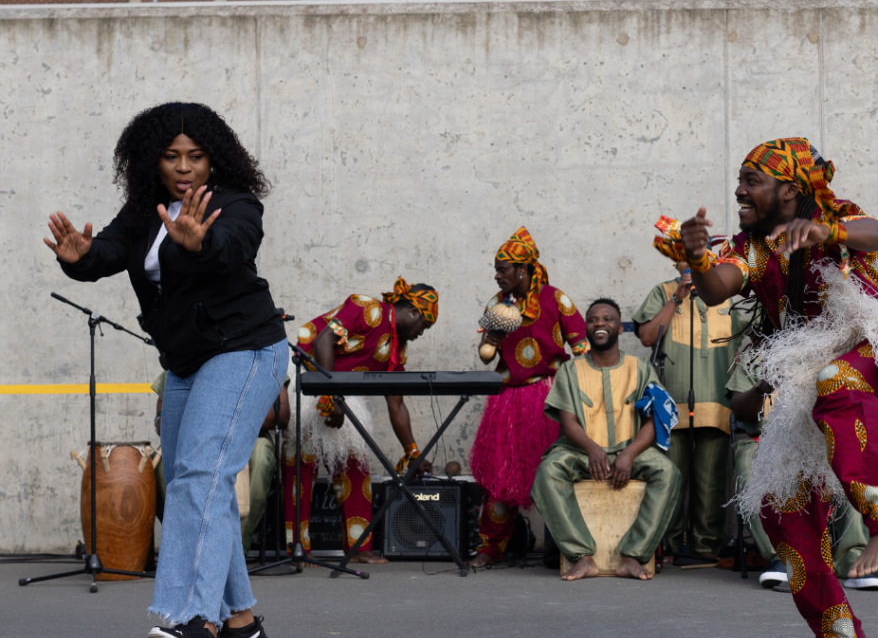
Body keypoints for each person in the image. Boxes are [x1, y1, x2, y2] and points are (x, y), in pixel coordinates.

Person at [675, 137, 878, 638]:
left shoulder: (838, 217)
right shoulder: (754, 246)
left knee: (837, 375)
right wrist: (696, 254)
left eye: (752, 181)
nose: (739, 190)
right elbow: (713, 289)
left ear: (789, 190)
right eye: (741, 179)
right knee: (782, 506)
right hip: (815, 384)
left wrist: (829, 232)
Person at [46, 101, 288, 638]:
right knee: (192, 482)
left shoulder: (235, 207)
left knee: (201, 477)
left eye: (196, 157)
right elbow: (104, 252)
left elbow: (232, 246)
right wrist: (78, 261)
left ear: (214, 160)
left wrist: (198, 243)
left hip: (245, 351)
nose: (184, 168)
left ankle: (193, 620)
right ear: (153, 161)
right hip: (185, 364)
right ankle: (242, 624)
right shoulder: (143, 213)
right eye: (172, 156)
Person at [284, 280, 438, 559]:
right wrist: (330, 397)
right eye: (424, 327)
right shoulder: (366, 308)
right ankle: (298, 551)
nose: (421, 334)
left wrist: (413, 452)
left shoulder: (397, 350)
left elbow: (397, 404)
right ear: (414, 313)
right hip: (306, 377)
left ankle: (357, 549)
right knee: (300, 467)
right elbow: (323, 340)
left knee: (355, 463)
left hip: (337, 391)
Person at [531, 300, 682, 581]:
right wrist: (592, 449)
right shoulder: (569, 370)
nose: (600, 324)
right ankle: (581, 556)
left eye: (607, 319)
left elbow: (654, 421)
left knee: (668, 472)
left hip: (630, 452)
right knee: (548, 471)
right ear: (586, 327)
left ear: (619, 326)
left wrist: (629, 454)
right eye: (593, 319)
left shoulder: (641, 369)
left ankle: (633, 555)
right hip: (582, 452)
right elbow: (568, 421)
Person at [469, 228, 589, 567]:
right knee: (499, 477)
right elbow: (485, 356)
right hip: (506, 400)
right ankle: (490, 548)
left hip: (549, 398)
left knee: (554, 473)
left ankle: (563, 548)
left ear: (522, 269)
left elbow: (582, 350)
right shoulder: (497, 304)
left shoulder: (555, 298)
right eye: (496, 269)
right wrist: (490, 336)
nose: (497, 275)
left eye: (502, 269)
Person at [727, 336, 878, 592]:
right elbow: (739, 410)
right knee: (745, 460)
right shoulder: (755, 357)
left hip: (817, 441)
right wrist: (762, 388)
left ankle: (851, 555)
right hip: (765, 443)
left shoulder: (830, 348)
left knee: (849, 449)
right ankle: (783, 556)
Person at [634, 244, 745, 564]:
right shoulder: (664, 291)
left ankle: (705, 544)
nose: (690, 263)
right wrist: (677, 299)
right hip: (671, 401)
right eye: (684, 257)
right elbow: (646, 336)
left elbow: (741, 346)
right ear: (675, 261)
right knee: (672, 475)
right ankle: (667, 542)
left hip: (717, 399)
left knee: (711, 479)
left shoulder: (726, 296)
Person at [151, 372, 289, 551]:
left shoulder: (258, 356)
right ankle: (186, 548)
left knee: (262, 455)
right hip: (195, 437)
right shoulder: (183, 359)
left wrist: (224, 418)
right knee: (160, 463)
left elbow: (282, 415)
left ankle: (233, 549)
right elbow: (163, 423)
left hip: (247, 437)